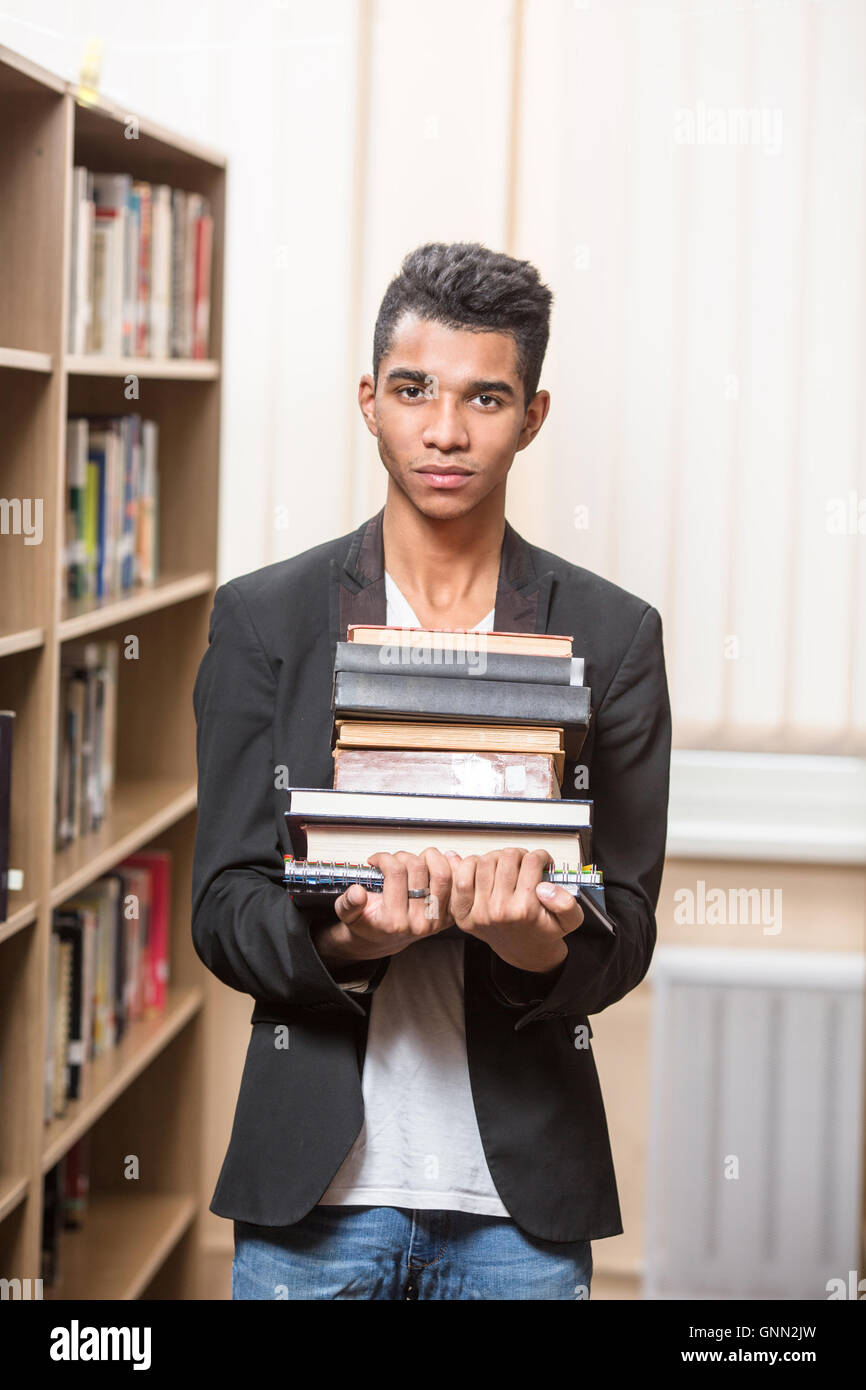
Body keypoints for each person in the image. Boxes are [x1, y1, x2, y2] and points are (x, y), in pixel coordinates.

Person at [191, 241, 672, 1301]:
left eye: (484, 398)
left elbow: (625, 925)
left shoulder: (613, 635)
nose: (444, 430)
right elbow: (221, 908)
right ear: (370, 400)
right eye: (413, 390)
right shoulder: (264, 621)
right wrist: (346, 936)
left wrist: (532, 946)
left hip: (518, 1211)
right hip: (313, 1200)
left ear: (531, 416)